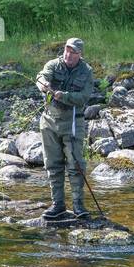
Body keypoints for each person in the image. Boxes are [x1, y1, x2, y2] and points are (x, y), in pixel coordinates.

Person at [35, 37, 96, 219]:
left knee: (75, 164)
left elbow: (84, 97)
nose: (69, 54)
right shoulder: (53, 64)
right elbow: (41, 77)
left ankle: (78, 206)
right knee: (52, 164)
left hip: (73, 122)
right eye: (67, 50)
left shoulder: (86, 71)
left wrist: (65, 96)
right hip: (49, 120)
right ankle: (58, 205)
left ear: (79, 54)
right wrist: (42, 85)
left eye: (73, 52)